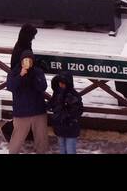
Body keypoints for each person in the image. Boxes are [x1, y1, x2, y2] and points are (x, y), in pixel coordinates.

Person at [5, 26, 49, 154]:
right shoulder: (20, 49)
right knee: (18, 136)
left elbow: (42, 86)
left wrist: (35, 71)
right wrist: (21, 75)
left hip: (35, 107)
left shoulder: (36, 71)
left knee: (40, 137)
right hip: (22, 105)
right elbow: (11, 85)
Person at [48, 74, 85, 154]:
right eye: (59, 83)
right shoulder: (56, 94)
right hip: (59, 126)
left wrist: (68, 115)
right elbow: (51, 105)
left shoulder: (73, 95)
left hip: (70, 127)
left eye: (63, 83)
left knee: (70, 149)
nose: (61, 84)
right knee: (62, 148)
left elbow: (79, 110)